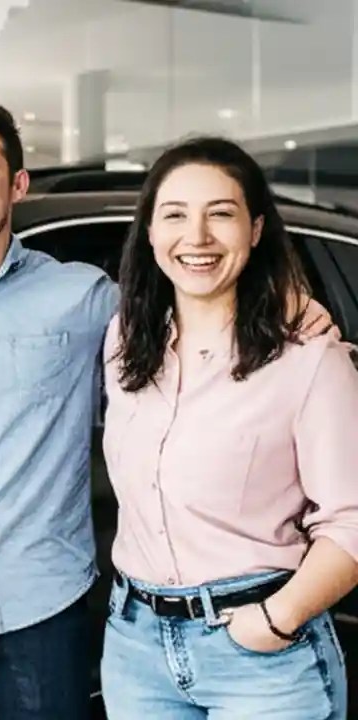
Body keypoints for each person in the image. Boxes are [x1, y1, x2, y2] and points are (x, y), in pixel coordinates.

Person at [0, 103, 336, 719]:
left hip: (44, 602)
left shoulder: (86, 299)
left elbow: (190, 292)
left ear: (17, 184)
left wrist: (289, 296)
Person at [99, 136, 358, 718]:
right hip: (135, 649)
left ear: (256, 229)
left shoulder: (310, 360)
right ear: (149, 232)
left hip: (260, 656)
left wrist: (277, 618)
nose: (197, 237)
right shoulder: (124, 341)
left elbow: (352, 522)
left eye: (221, 214)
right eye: (175, 215)